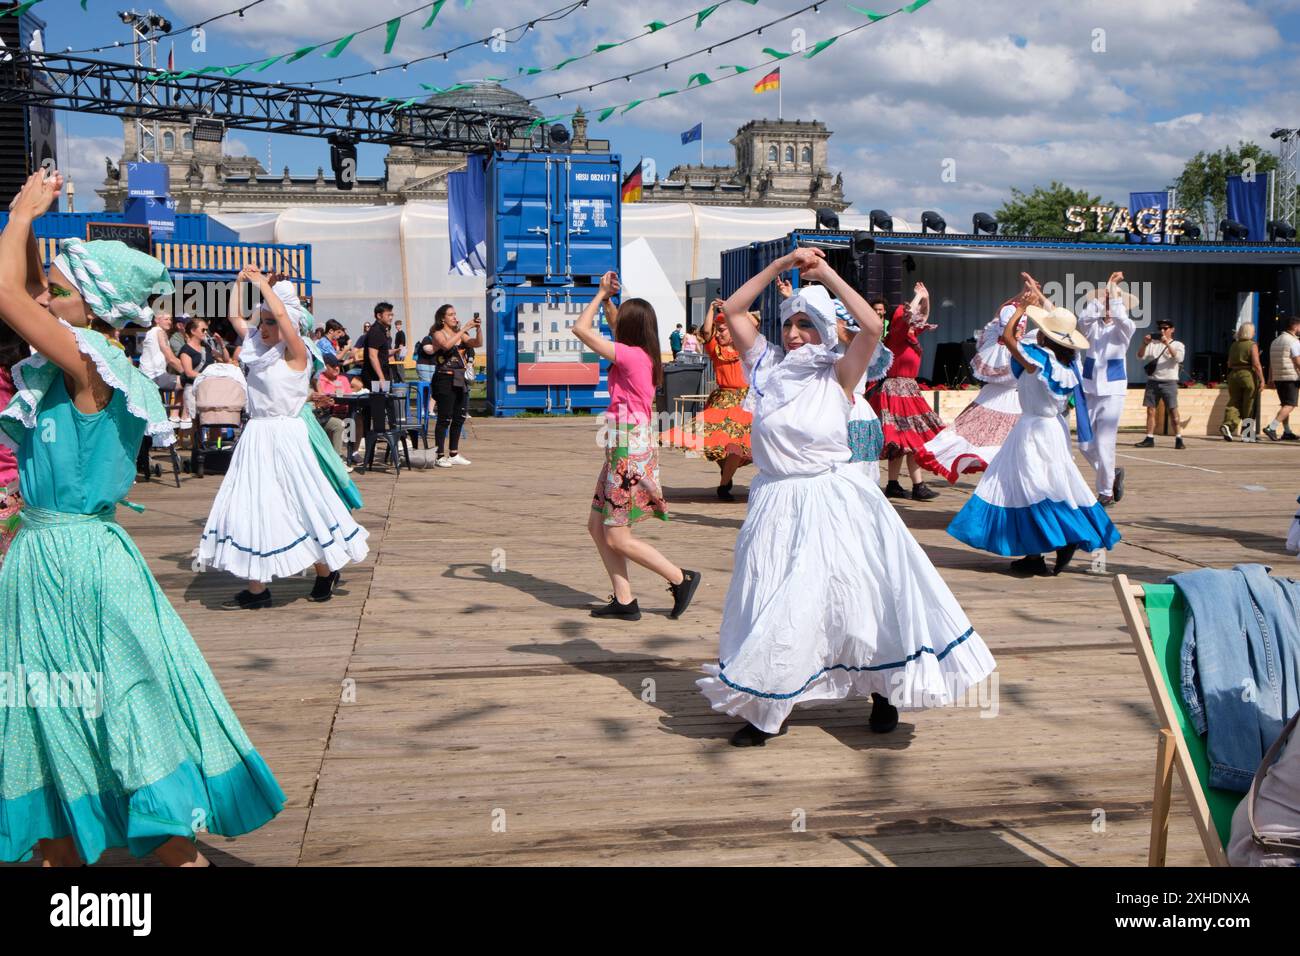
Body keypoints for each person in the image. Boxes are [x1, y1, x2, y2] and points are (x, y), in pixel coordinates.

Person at [0, 170, 284, 866]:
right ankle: (70, 850)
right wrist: (35, 236)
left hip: (74, 566)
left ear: (91, 306)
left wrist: (16, 215)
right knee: (51, 716)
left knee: (120, 708)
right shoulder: (88, 356)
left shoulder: (89, 363)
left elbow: (8, 295)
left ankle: (164, 843)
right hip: (53, 560)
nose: (46, 295)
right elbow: (32, 289)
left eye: (60, 290)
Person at [696, 248, 994, 746]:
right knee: (773, 603)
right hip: (773, 502)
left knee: (853, 600)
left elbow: (872, 331)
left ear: (824, 330)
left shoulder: (838, 374)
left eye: (806, 325)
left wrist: (826, 275)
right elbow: (731, 311)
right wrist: (779, 267)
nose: (794, 334)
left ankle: (883, 691)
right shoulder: (766, 368)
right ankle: (770, 703)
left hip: (831, 502)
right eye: (789, 324)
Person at [197, 265, 369, 608]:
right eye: (261, 321)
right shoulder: (256, 349)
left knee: (300, 503)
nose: (263, 327)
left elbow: (279, 313)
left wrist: (264, 286)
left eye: (271, 322)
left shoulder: (298, 354)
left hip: (286, 436)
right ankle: (257, 588)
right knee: (251, 506)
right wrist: (240, 283)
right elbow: (234, 316)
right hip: (256, 435)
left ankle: (324, 569)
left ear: (290, 325)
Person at [948, 298, 1120, 576]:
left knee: (1030, 488)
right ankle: (1037, 552)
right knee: (1051, 486)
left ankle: (1053, 543)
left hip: (1033, 430)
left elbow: (1006, 338)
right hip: (1051, 429)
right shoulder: (1065, 365)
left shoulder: (1038, 360)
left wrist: (1019, 310)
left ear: (1045, 336)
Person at [575, 271, 701, 622]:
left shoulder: (629, 356)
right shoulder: (642, 353)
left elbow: (580, 330)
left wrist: (599, 295)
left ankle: (680, 577)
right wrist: (612, 300)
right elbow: (614, 324)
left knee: (616, 536)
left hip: (627, 449)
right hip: (623, 444)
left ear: (628, 330)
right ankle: (625, 599)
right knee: (597, 526)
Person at [917, 274, 1045, 483]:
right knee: (997, 442)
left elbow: (1010, 318)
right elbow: (1006, 327)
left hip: (1015, 397)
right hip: (1007, 390)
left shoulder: (1026, 330)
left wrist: (1026, 296)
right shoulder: (1014, 327)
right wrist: (1022, 300)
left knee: (1013, 444)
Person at [871, 282, 944, 501]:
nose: (915, 322)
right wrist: (916, 298)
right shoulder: (897, 333)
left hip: (907, 389)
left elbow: (920, 315)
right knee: (910, 439)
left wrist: (925, 298)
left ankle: (893, 484)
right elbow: (908, 316)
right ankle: (918, 485)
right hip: (897, 389)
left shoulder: (910, 335)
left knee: (902, 440)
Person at [1077, 272, 1133, 506]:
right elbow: (1082, 320)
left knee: (1104, 443)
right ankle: (1111, 475)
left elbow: (1121, 319)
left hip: (1113, 390)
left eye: (1112, 302)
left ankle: (1106, 492)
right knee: (1084, 444)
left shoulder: (1125, 327)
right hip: (1090, 388)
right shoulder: (1092, 328)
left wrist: (1114, 292)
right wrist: (1102, 298)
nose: (1108, 307)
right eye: (1106, 302)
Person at [697, 297, 758, 500]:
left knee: (736, 445)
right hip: (722, 401)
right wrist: (711, 309)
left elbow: (755, 325)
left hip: (744, 402)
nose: (719, 332)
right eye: (719, 329)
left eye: (723, 329)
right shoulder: (716, 350)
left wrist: (737, 309)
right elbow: (706, 333)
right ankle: (727, 474)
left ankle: (724, 486)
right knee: (715, 445)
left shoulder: (746, 348)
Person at [419, 304, 481, 467]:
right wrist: (464, 328)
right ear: (442, 318)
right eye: (451, 314)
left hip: (460, 379)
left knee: (459, 417)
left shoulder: (461, 333)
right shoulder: (437, 333)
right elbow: (446, 345)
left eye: (455, 314)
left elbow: (476, 343)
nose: (455, 317)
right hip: (444, 379)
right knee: (444, 417)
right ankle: (440, 455)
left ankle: (453, 453)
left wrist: (477, 329)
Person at [1134, 319, 1186, 450]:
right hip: (1153, 381)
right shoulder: (1153, 344)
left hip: (1169, 382)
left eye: (1165, 328)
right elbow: (1139, 356)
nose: (1162, 331)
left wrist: (1167, 344)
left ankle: (1179, 437)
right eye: (1160, 329)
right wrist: (1144, 343)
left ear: (1172, 329)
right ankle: (1149, 438)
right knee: (1150, 410)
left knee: (1173, 410)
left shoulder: (1178, 344)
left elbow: (1179, 358)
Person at [357, 301, 394, 471]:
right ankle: (370, 451)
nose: (391, 317)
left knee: (383, 411)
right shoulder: (375, 331)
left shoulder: (382, 331)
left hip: (381, 376)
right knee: (375, 412)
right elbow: (372, 356)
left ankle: (385, 449)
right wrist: (380, 377)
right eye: (388, 314)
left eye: (392, 314)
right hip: (375, 378)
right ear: (379, 316)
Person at [137, 303, 183, 421]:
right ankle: (175, 416)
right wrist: (186, 372)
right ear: (157, 320)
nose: (169, 322)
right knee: (189, 382)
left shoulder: (152, 332)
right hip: (155, 377)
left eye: (171, 319)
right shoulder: (159, 332)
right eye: (166, 319)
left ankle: (172, 417)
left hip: (148, 377)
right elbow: (170, 357)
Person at [1221, 323, 1265, 441]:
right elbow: (1256, 364)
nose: (1255, 333)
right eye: (1254, 331)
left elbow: (1229, 363)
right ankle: (1247, 434)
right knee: (1249, 404)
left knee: (1234, 401)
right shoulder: (1252, 345)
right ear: (1251, 332)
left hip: (1233, 375)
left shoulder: (1234, 345)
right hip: (1247, 375)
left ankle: (1228, 425)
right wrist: (1262, 379)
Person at [1265, 315, 1300, 442]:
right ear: (1295, 326)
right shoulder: (1293, 341)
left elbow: (1271, 362)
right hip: (1291, 377)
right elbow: (1297, 361)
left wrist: (1270, 379)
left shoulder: (1275, 341)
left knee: (1285, 405)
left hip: (1279, 378)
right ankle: (1271, 427)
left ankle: (1287, 431)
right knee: (1290, 404)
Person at [177, 315, 214, 432]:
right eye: (203, 330)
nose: (206, 332)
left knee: (212, 418)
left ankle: (212, 447)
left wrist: (222, 346)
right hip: (193, 388)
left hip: (208, 387)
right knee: (196, 420)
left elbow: (224, 359)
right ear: (193, 331)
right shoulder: (185, 350)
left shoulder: (207, 347)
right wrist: (207, 377)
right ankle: (197, 448)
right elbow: (189, 372)